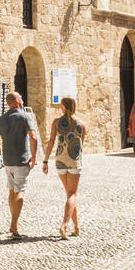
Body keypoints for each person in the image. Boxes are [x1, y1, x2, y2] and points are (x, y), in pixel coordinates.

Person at [0, 91, 40, 239]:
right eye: (21, 98)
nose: (22, 100)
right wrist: (34, 157)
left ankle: (13, 220)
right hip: (21, 161)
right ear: (16, 101)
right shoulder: (25, 117)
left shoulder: (1, 119)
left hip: (7, 162)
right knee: (20, 192)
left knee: (11, 191)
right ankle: (14, 224)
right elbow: (33, 137)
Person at [43, 95, 86, 239]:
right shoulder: (82, 125)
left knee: (70, 195)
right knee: (72, 195)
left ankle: (77, 228)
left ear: (63, 107)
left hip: (60, 160)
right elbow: (81, 145)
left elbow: (50, 142)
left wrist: (45, 161)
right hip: (74, 161)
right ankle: (65, 225)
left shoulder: (56, 122)